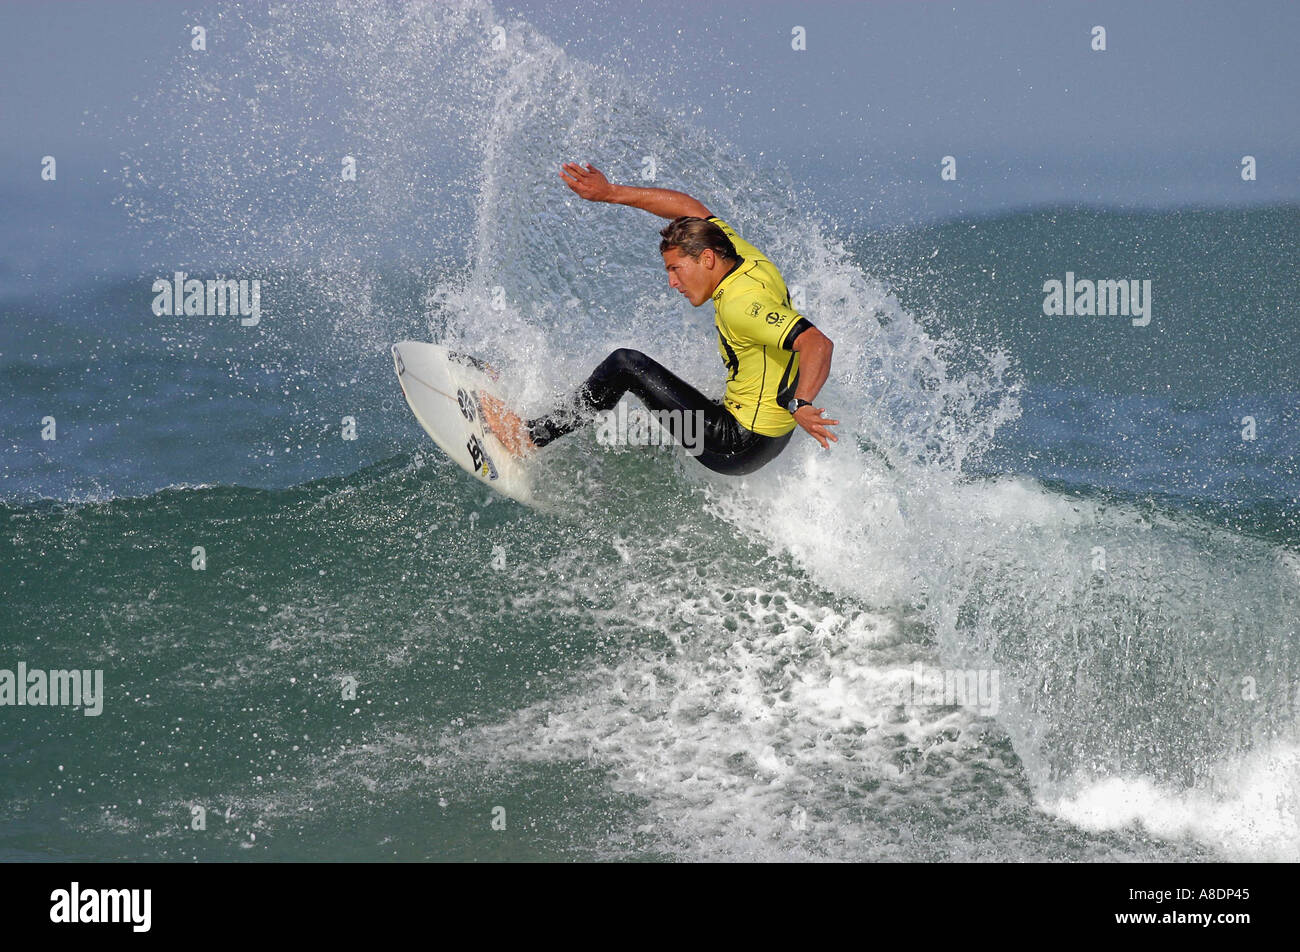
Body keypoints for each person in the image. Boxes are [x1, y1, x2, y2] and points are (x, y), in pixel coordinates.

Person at [479, 162, 837, 476]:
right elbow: (689, 208)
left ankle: (526, 438)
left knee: (625, 365)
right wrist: (609, 193)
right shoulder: (742, 255)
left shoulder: (741, 304)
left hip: (733, 446)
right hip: (769, 437)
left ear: (707, 259)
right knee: (652, 399)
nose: (672, 282)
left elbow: (816, 342)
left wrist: (803, 404)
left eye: (676, 269)